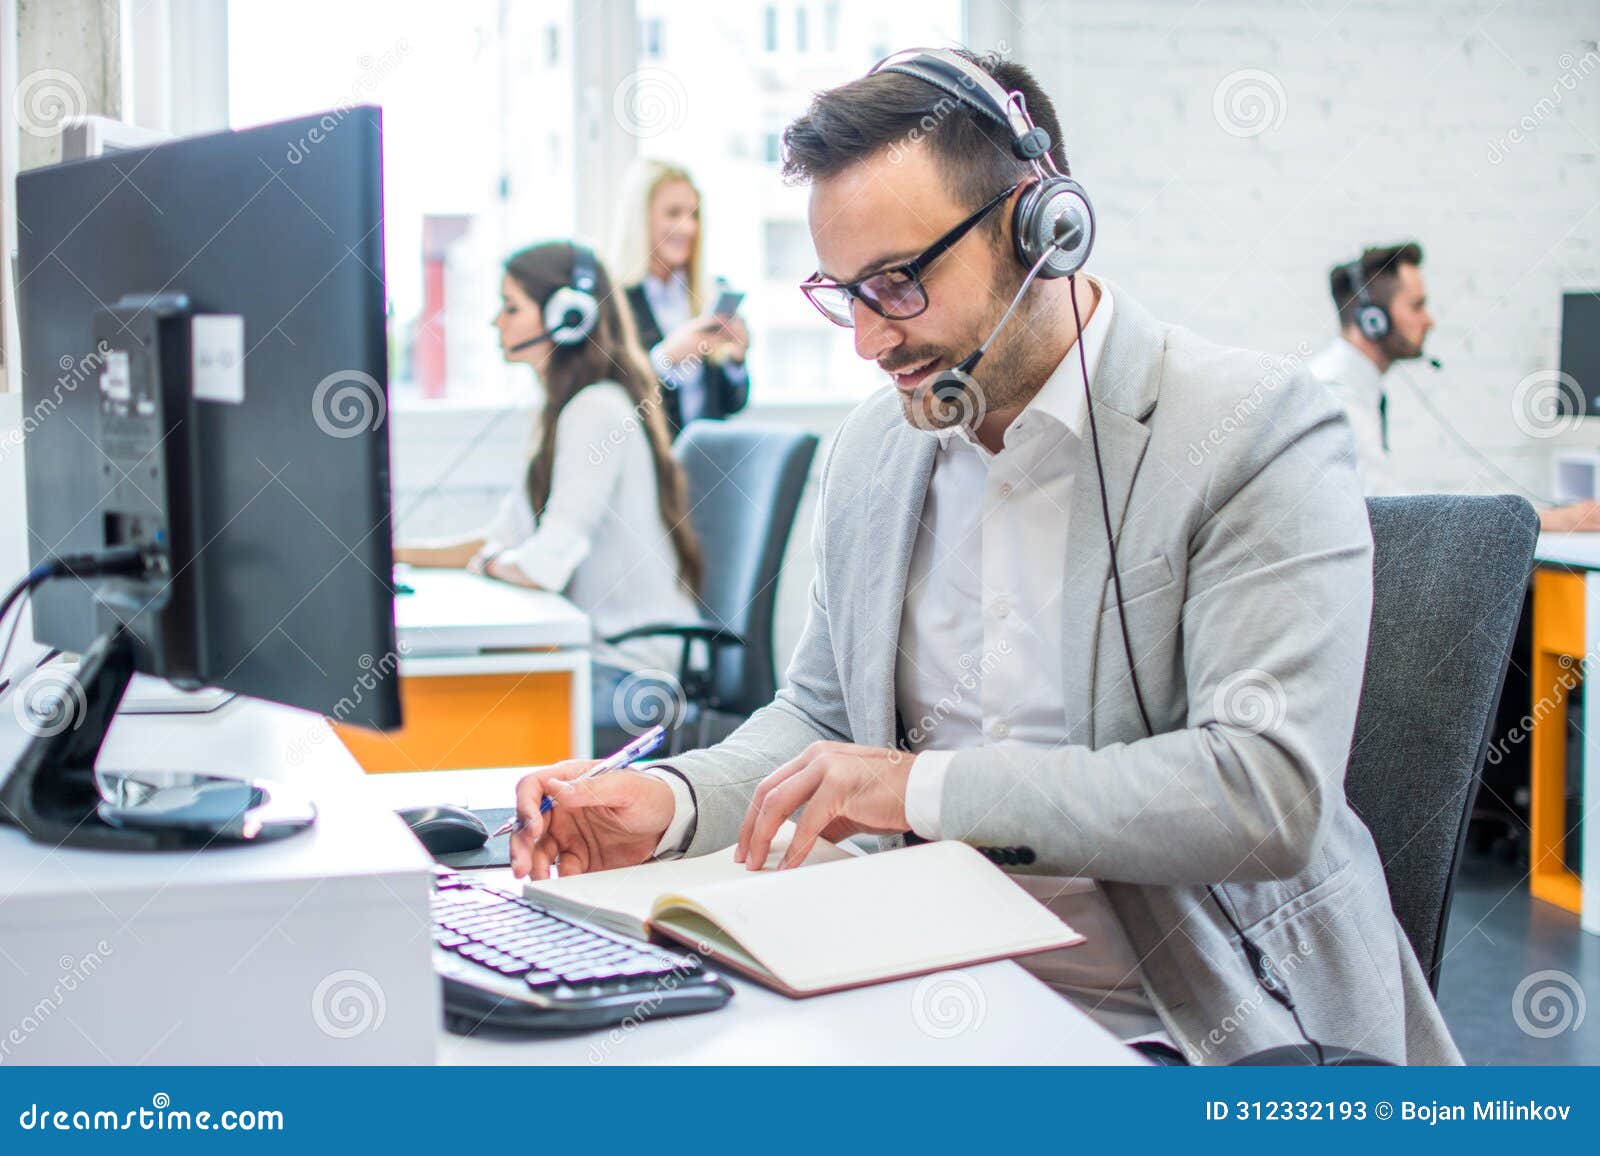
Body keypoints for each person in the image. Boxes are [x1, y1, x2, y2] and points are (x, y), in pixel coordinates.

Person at [505, 49, 1460, 1065]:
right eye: (844, 294)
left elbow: (1259, 793)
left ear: (1043, 227)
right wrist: (676, 799)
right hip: (923, 986)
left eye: (899, 283)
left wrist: (915, 788)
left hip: (1195, 1023)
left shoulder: (1249, 428)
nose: (869, 341)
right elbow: (822, 719)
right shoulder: (879, 446)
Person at [394, 242, 702, 750]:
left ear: (568, 317)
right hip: (592, 656)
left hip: (631, 675)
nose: (497, 321)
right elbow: (501, 541)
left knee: (448, 711)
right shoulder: (560, 412)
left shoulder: (596, 410)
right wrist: (395, 554)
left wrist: (492, 563)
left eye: (511, 306)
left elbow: (542, 563)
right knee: (440, 693)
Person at [1311, 242, 1600, 530]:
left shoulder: (1352, 387)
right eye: (1417, 306)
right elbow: (1396, 518)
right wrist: (1551, 520)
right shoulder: (1336, 396)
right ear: (1374, 320)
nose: (1429, 321)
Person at [612, 159, 750, 439]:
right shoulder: (615, 302)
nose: (688, 228)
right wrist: (665, 359)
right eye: (673, 213)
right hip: (652, 467)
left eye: (693, 215)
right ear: (640, 219)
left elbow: (732, 403)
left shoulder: (710, 292)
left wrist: (735, 359)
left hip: (706, 464)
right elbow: (615, 402)